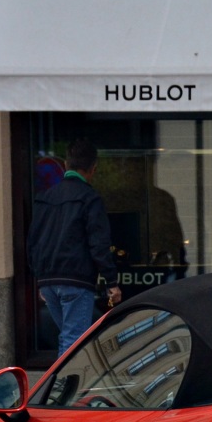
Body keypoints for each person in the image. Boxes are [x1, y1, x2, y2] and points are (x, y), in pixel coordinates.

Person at [28, 138, 121, 356]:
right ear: (93, 169)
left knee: (72, 337)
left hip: (48, 281)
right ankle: (64, 389)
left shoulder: (45, 198)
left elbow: (32, 240)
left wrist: (39, 277)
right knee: (73, 342)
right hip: (76, 280)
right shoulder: (90, 198)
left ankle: (71, 385)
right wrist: (112, 282)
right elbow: (99, 244)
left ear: (67, 164)